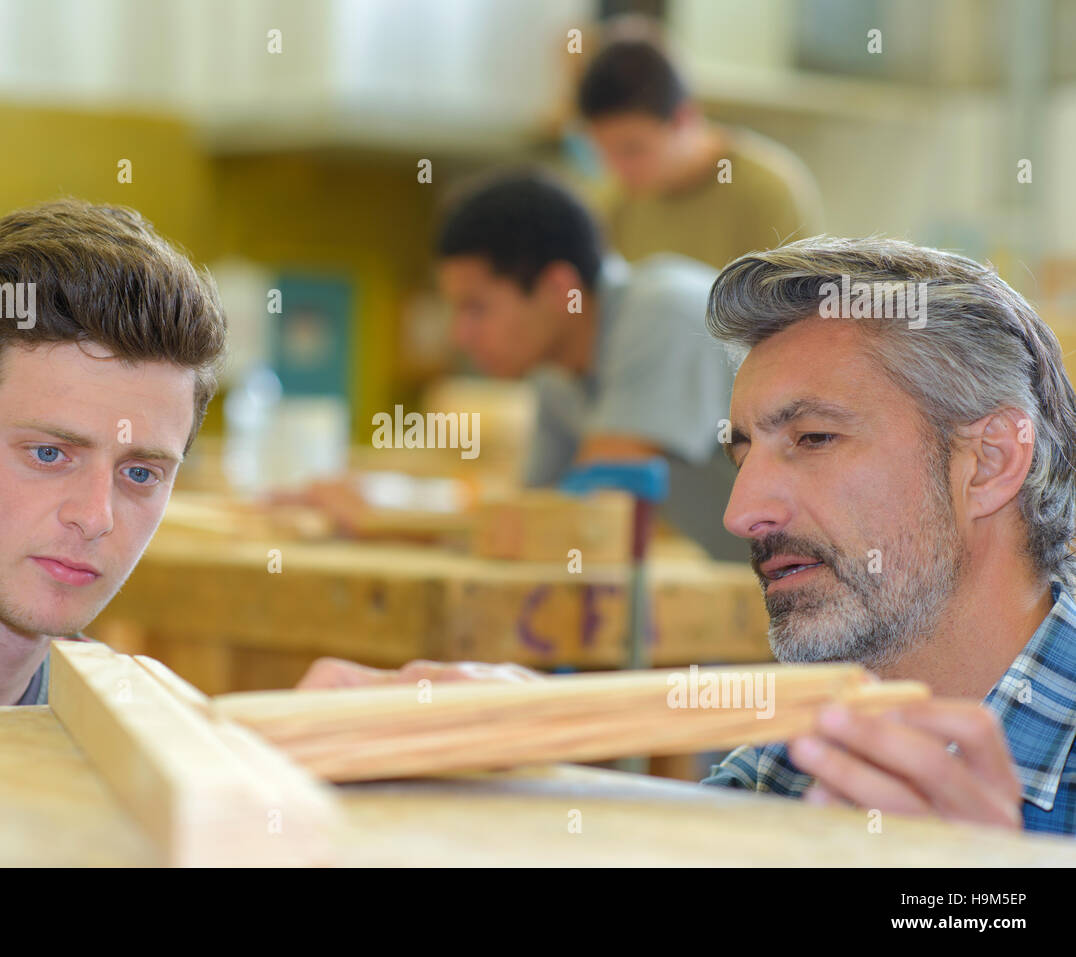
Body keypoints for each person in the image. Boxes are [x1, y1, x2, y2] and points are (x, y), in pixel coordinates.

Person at [0, 199, 525, 711]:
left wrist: (257, 766)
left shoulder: (125, 725)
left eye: (140, 472)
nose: (96, 516)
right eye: (48, 452)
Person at [699, 236, 1076, 834]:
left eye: (814, 438)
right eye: (742, 455)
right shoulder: (792, 764)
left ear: (991, 462)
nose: (742, 514)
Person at [435, 171, 742, 561]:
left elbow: (588, 505)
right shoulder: (556, 377)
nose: (459, 335)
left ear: (559, 289)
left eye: (475, 308)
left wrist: (423, 524)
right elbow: (541, 508)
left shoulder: (664, 313)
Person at [577, 20, 823, 269]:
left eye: (632, 149)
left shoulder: (770, 193)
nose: (617, 169)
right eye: (602, 151)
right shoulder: (612, 203)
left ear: (683, 119)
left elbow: (801, 305)